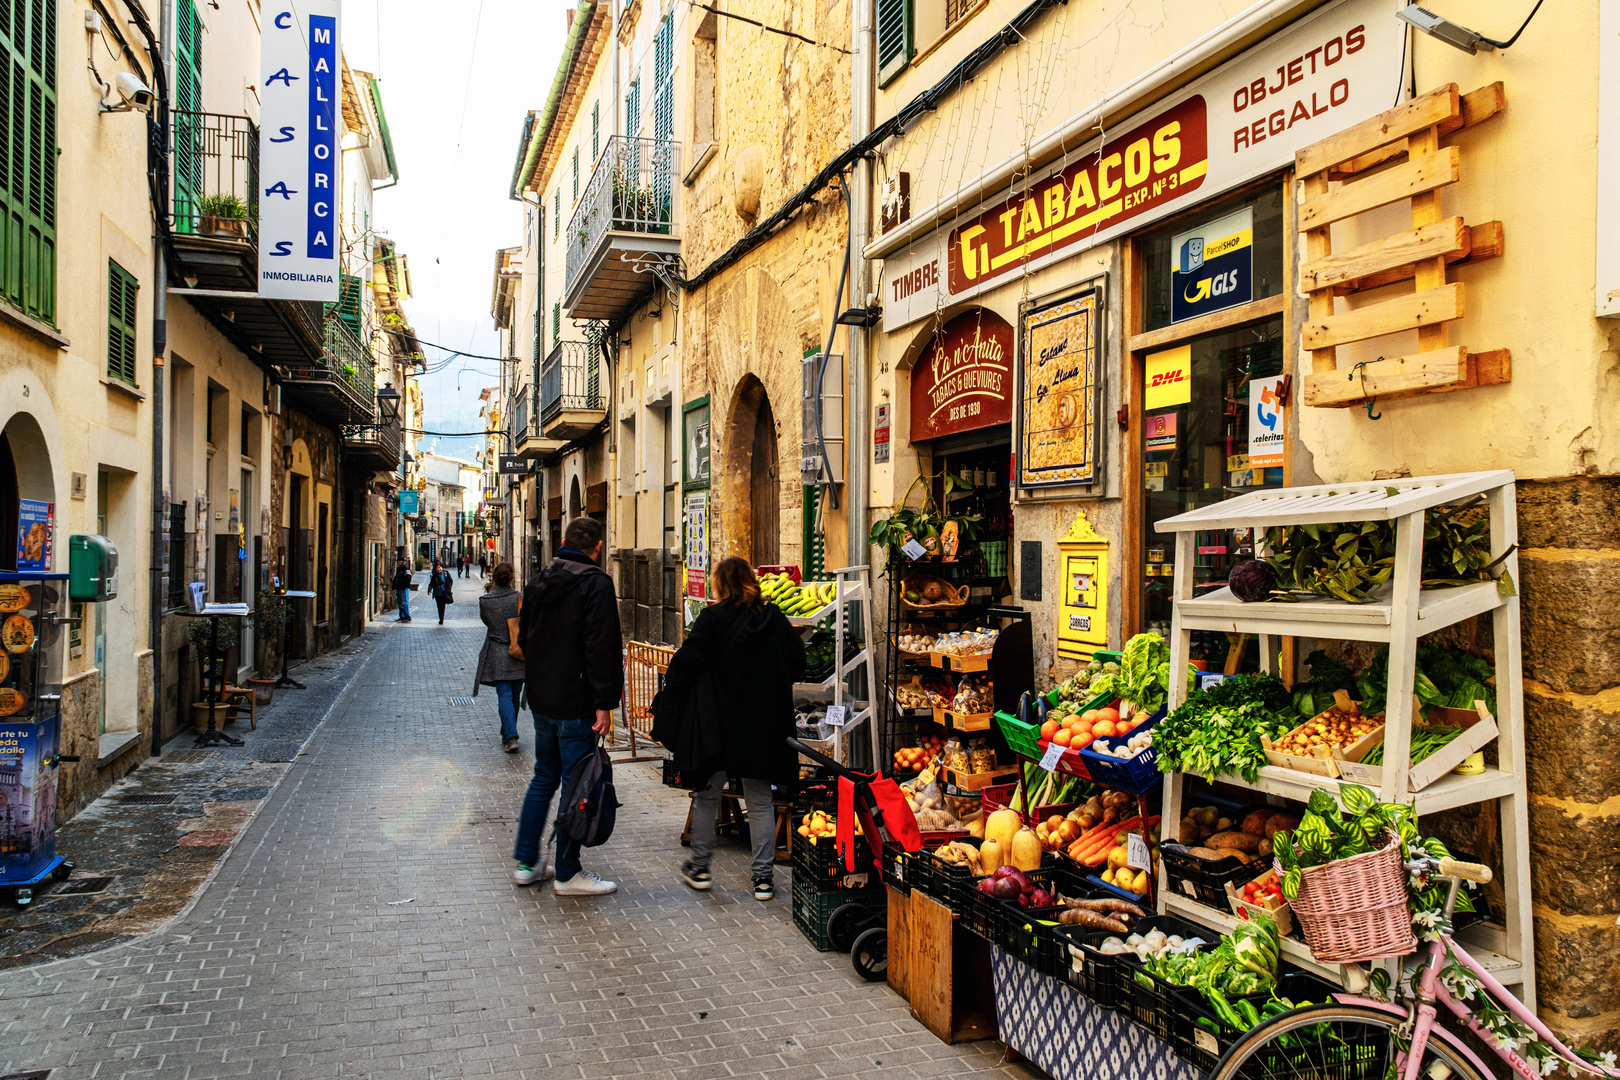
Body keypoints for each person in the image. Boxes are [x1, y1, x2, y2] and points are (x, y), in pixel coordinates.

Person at [654, 557, 805, 901]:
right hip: (761, 724)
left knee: (708, 795)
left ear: (721, 584)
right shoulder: (773, 617)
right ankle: (764, 879)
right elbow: (798, 661)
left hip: (717, 724)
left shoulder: (711, 618)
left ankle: (701, 868)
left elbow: (686, 662)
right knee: (761, 799)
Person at [511, 517, 621, 896]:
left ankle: (527, 864)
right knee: (576, 785)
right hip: (576, 703)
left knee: (544, 777)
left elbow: (524, 637)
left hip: (542, 700)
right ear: (599, 546)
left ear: (562, 542)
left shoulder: (540, 580)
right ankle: (567, 872)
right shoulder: (595, 583)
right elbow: (601, 647)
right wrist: (604, 704)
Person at [475, 562, 525, 754]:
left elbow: (486, 622)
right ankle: (508, 733)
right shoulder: (519, 597)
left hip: (497, 652)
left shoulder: (485, 600)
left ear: (494, 578)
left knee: (504, 695)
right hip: (518, 651)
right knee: (514, 695)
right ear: (511, 577)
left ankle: (510, 736)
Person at [427, 560, 454, 624]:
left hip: (444, 592)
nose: (439, 569)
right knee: (439, 606)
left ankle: (441, 618)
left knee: (443, 605)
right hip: (437, 593)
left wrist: (449, 588)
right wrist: (429, 590)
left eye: (440, 567)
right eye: (437, 568)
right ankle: (441, 618)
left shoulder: (446, 573)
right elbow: (431, 584)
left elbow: (450, 581)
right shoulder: (434, 575)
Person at [390, 557, 413, 622]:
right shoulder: (399, 569)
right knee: (400, 603)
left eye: (398, 562)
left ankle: (407, 617)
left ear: (401, 562)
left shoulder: (406, 568)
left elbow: (408, 578)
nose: (397, 563)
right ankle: (402, 616)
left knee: (404, 603)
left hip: (404, 589)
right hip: (399, 588)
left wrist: (404, 586)